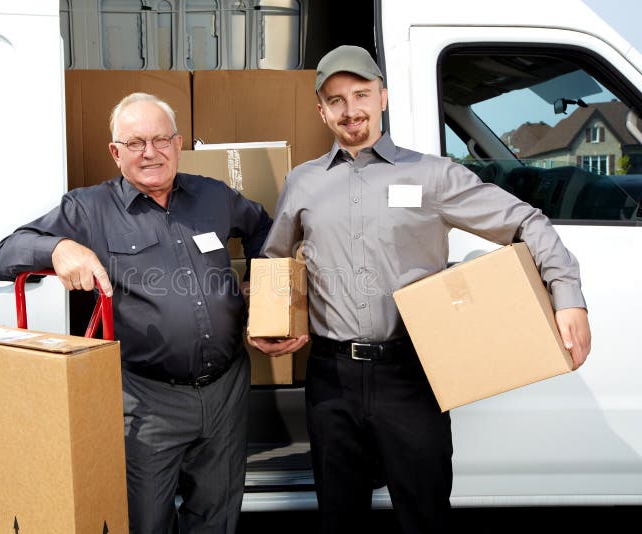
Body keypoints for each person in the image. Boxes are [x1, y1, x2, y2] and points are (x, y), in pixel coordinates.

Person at [248, 45, 591, 534]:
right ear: (321, 110)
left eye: (361, 94)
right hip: (331, 376)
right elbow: (275, 261)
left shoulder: (433, 175)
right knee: (339, 519)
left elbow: (525, 222)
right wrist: (268, 321)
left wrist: (567, 296)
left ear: (382, 97)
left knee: (424, 515)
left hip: (410, 373)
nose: (350, 110)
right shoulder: (302, 183)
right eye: (336, 100)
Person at [0, 92, 272, 534]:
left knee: (217, 519)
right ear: (115, 152)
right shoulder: (89, 209)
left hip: (226, 391)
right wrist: (59, 248)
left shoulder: (214, 195)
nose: (150, 153)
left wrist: (263, 289)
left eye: (160, 140)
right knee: (144, 522)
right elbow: (9, 250)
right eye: (135, 142)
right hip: (147, 401)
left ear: (178, 144)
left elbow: (265, 230)